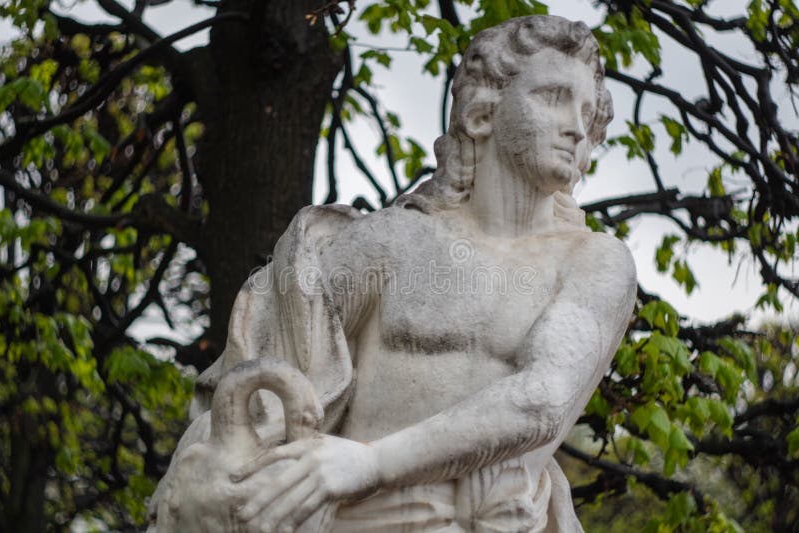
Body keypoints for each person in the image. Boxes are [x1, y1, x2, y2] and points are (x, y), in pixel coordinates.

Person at [149, 15, 636, 533]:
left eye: (587, 113)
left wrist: (369, 464)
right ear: (481, 113)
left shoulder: (594, 262)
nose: (577, 128)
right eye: (553, 97)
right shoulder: (390, 243)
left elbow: (542, 399)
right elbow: (259, 387)